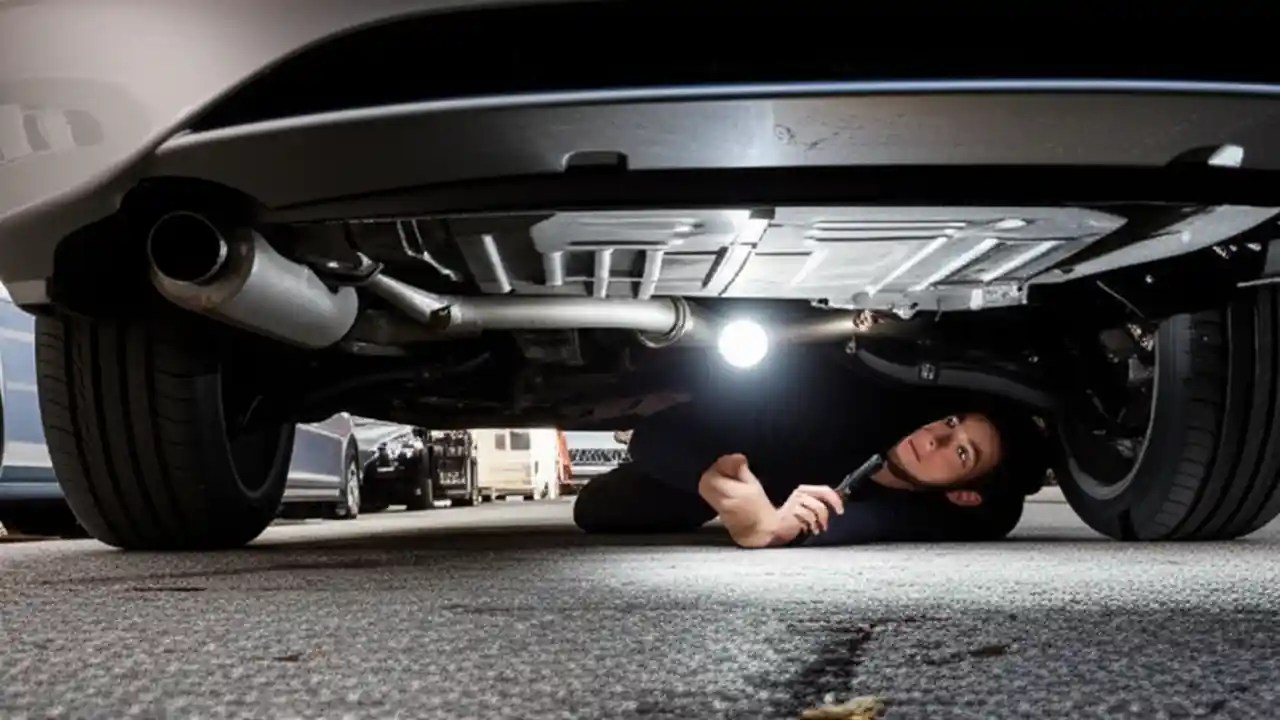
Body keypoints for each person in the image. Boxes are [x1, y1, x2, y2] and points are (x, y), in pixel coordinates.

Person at [573, 347, 1049, 548]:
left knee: (599, 511)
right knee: (601, 507)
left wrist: (784, 527)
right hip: (743, 441)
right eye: (950, 423)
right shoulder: (837, 413)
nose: (934, 437)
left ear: (964, 494)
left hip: (766, 487)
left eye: (962, 453)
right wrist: (720, 488)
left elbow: (886, 520)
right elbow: (657, 433)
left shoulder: (971, 512)